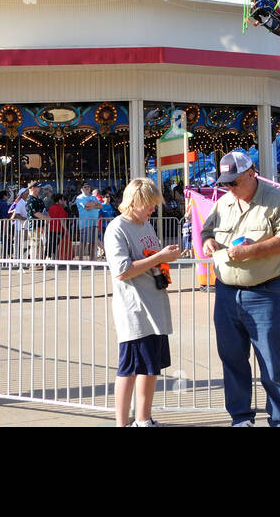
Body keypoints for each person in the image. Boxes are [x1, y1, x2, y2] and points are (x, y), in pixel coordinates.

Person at [200, 150, 280, 427]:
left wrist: (250, 251)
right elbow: (206, 232)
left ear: (251, 174)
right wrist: (208, 242)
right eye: (225, 183)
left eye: (234, 182)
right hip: (227, 293)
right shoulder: (222, 203)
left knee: (271, 363)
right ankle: (241, 418)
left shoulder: (277, 200)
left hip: (267, 292)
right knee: (232, 359)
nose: (230, 188)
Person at [105, 178, 182, 427]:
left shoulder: (146, 225)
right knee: (129, 369)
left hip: (154, 306)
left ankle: (143, 418)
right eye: (149, 204)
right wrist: (160, 257)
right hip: (135, 310)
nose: (153, 209)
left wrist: (163, 258)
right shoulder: (117, 228)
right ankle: (123, 423)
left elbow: (149, 259)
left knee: (151, 367)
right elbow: (122, 271)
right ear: (136, 201)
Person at [75, 183, 101, 259]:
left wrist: (91, 205)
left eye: (88, 186)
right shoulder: (79, 197)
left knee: (93, 243)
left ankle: (92, 261)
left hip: (94, 223)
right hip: (85, 224)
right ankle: (80, 261)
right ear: (81, 189)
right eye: (85, 187)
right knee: (83, 243)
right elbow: (86, 206)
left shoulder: (93, 197)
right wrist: (95, 204)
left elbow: (100, 206)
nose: (87, 188)